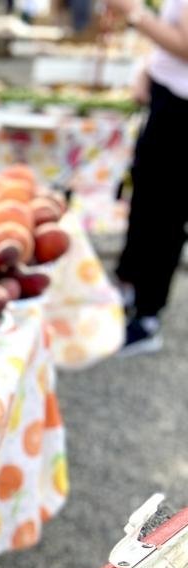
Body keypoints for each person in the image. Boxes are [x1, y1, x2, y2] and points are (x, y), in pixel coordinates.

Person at [107, 0, 188, 354]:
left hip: (180, 113)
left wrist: (135, 12)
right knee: (147, 204)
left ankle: (147, 315)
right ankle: (133, 295)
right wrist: (147, 71)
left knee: (164, 214)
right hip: (168, 101)